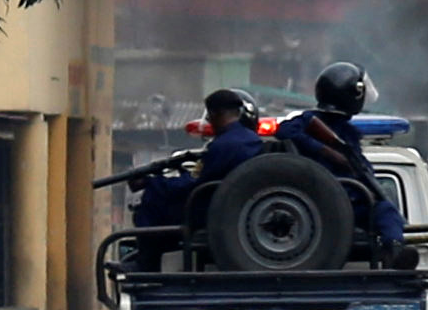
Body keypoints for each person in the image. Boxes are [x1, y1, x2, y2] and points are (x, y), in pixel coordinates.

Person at [279, 62, 406, 250]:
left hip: (336, 204)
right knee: (385, 211)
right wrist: (326, 151)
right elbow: (284, 130)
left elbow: (361, 167)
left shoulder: (348, 132)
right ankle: (394, 248)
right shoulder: (309, 120)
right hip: (333, 202)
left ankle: (395, 248)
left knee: (386, 211)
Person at [134, 89, 266, 231]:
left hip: (211, 211)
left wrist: (151, 182)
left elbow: (193, 182)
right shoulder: (254, 140)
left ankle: (147, 250)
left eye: (209, 115)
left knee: (153, 199)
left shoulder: (221, 146)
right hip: (238, 208)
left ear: (214, 114)